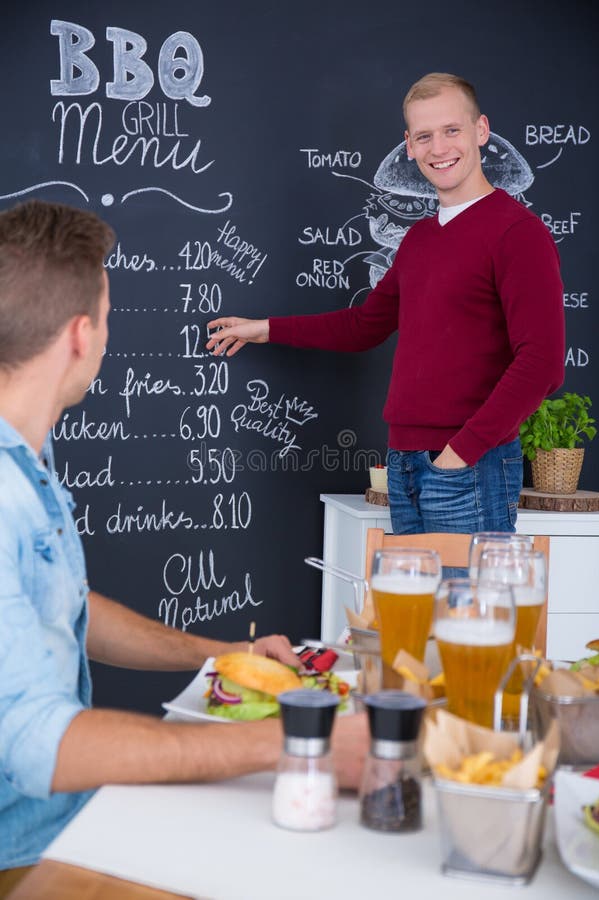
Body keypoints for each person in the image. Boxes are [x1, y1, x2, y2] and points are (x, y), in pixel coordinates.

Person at [0, 200, 368, 888]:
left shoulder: (25, 464)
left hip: (66, 824)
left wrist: (225, 656)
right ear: (81, 335)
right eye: (108, 318)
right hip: (24, 856)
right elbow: (35, 745)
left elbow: (69, 610)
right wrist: (293, 742)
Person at [205, 72, 565, 536]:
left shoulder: (518, 233)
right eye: (424, 136)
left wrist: (460, 454)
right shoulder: (418, 240)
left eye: (451, 130)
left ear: (481, 131)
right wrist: (266, 328)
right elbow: (365, 326)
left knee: (464, 609)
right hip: (405, 464)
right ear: (409, 146)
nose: (439, 148)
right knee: (410, 610)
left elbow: (543, 365)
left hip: (468, 467)